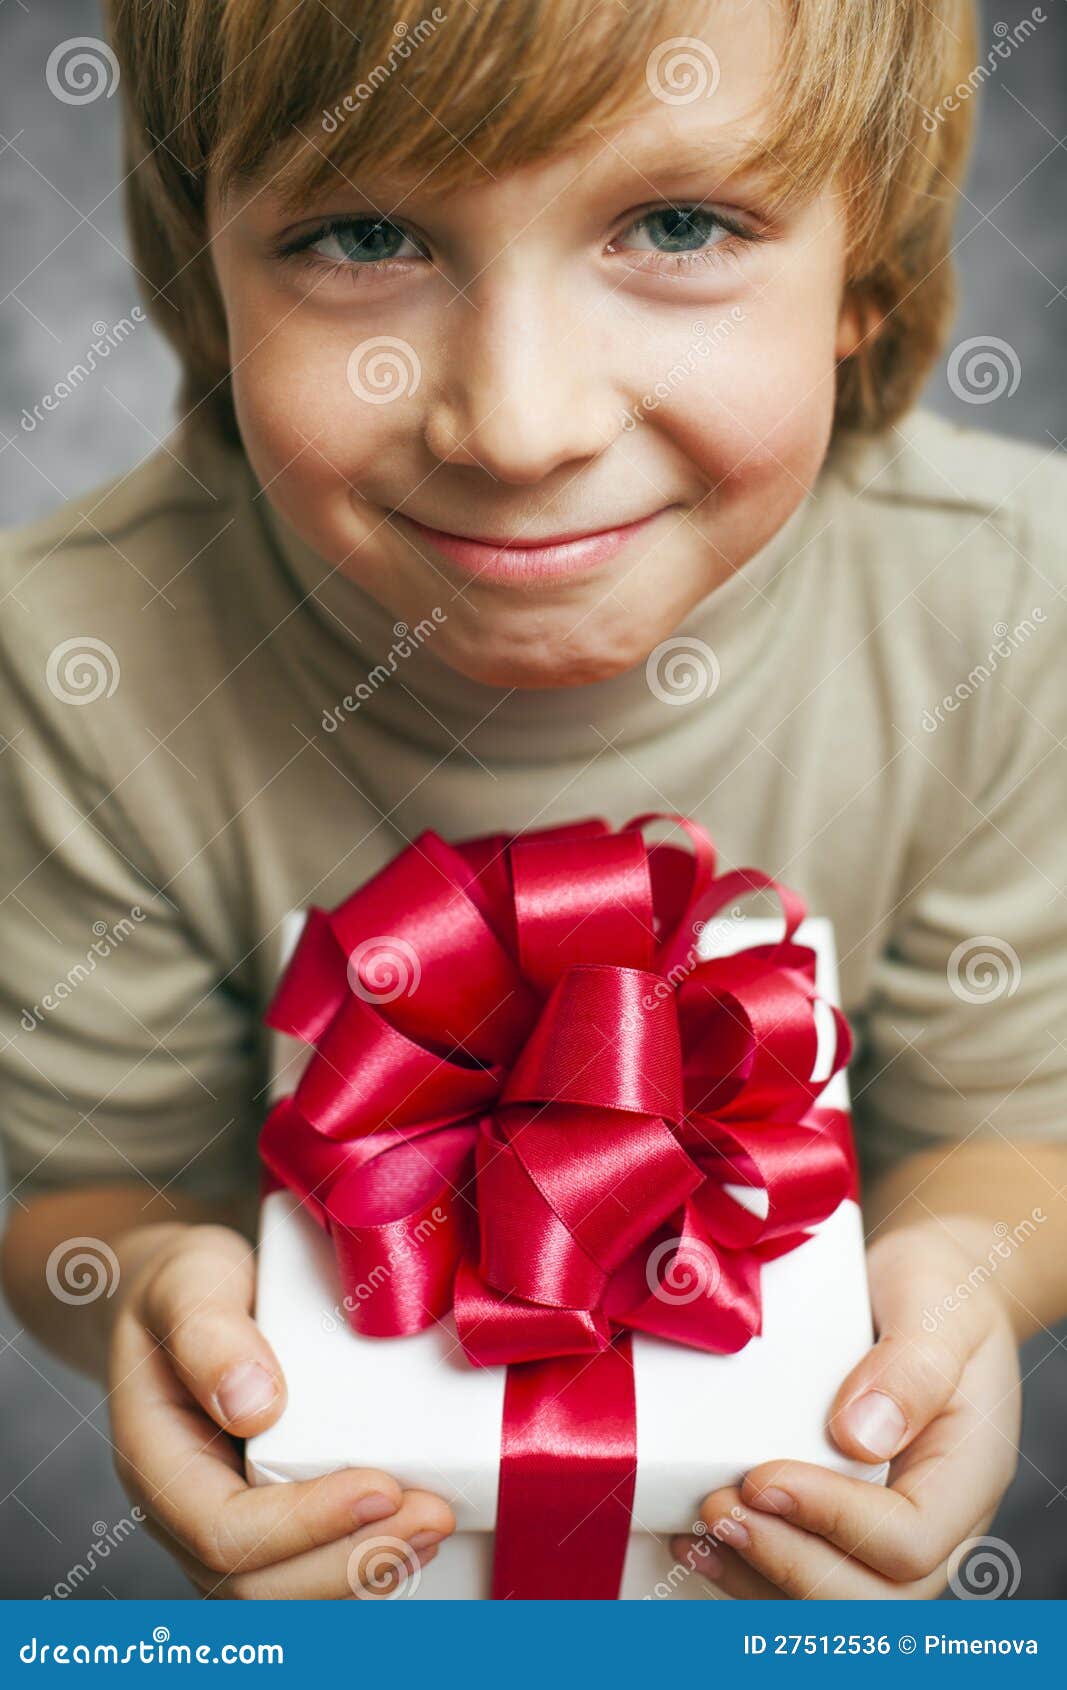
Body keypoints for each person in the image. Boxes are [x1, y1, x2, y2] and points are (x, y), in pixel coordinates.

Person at [2, 0, 1064, 1599]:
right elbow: (88, 1188)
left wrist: (957, 1289)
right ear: (199, 274)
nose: (517, 424)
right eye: (364, 232)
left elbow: (1018, 1131)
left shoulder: (1012, 603)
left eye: (681, 224)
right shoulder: (75, 649)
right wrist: (151, 1277)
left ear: (868, 262)